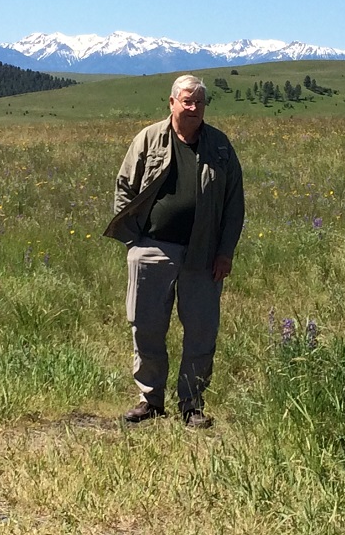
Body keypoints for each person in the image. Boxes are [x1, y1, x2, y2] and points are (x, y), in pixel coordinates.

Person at [104, 74, 245, 428]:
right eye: (187, 100)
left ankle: (192, 405)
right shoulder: (149, 139)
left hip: (203, 254)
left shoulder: (221, 147)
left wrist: (225, 252)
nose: (194, 107)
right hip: (151, 248)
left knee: (201, 330)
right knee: (146, 327)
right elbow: (124, 186)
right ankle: (150, 399)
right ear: (172, 103)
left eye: (199, 101)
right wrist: (134, 239)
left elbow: (234, 206)